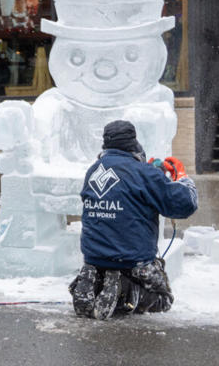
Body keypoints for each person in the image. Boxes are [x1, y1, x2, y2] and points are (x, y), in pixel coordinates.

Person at [69, 120, 198, 320]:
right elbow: (184, 204)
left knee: (104, 256)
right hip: (133, 261)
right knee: (163, 300)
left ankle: (95, 283)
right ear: (133, 142)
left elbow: (124, 184)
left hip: (94, 259)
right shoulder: (144, 173)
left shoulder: (93, 171)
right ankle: (125, 289)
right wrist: (182, 178)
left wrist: (149, 172)